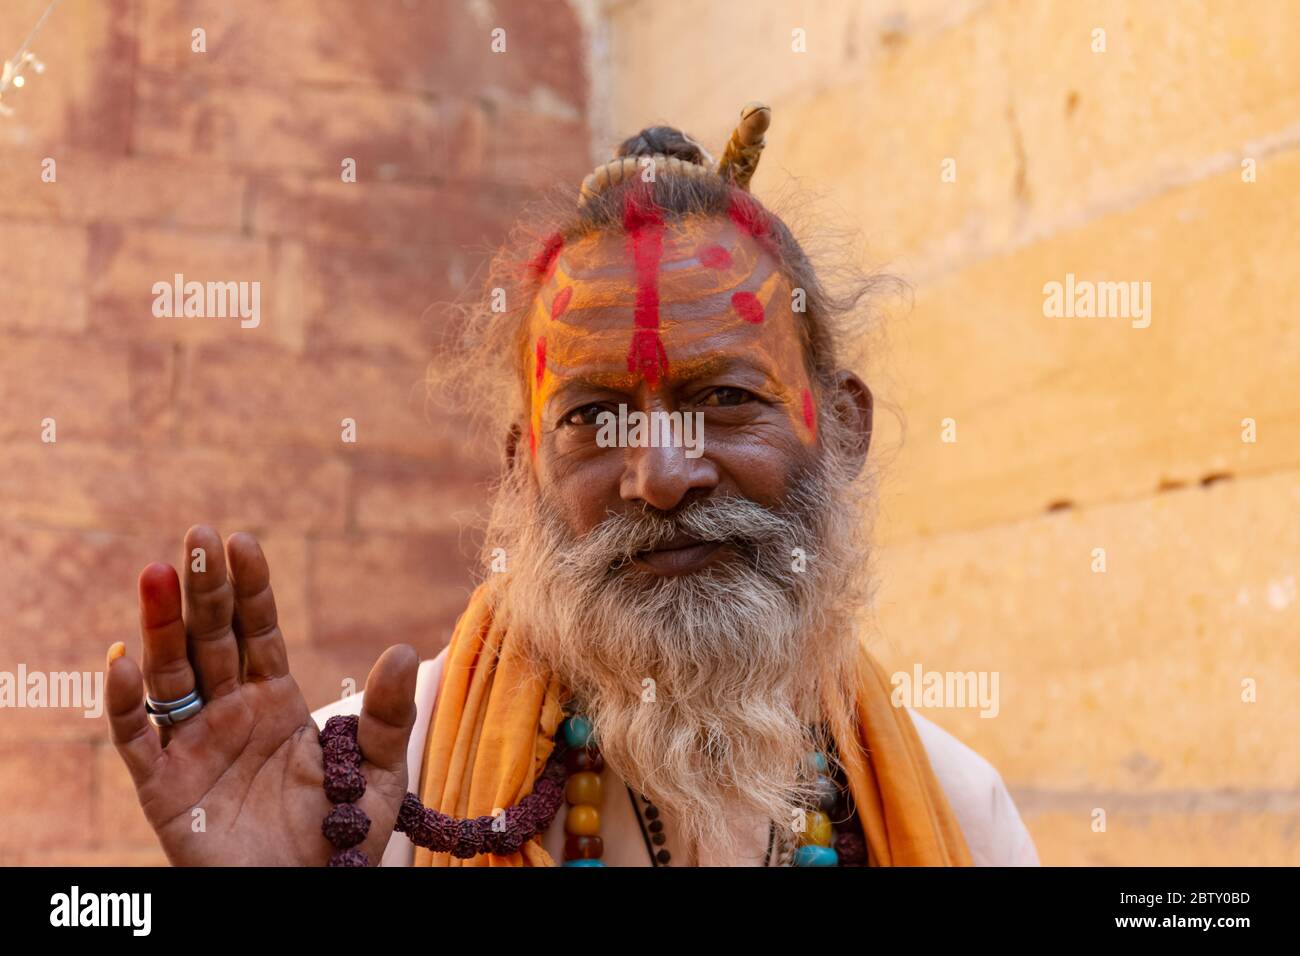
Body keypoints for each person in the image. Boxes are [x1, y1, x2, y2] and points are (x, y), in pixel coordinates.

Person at [105, 104, 1039, 867]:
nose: (663, 476)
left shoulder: (963, 815)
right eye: (596, 419)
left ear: (842, 428)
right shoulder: (359, 795)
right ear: (525, 466)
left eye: (722, 397)